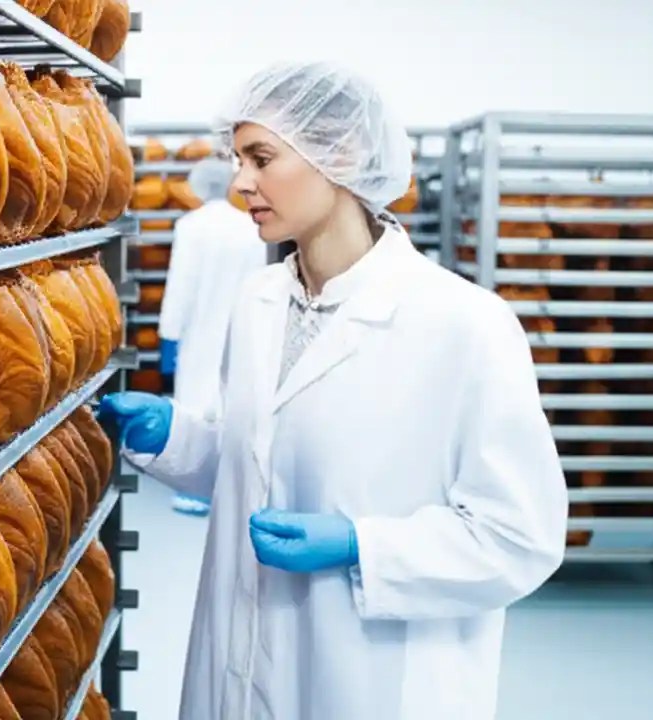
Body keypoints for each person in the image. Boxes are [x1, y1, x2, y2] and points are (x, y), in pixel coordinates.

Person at [98, 61, 567, 720]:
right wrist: (177, 438)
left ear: (340, 157)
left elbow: (520, 535)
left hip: (375, 681)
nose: (240, 182)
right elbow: (259, 464)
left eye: (261, 158)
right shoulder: (257, 302)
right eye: (238, 159)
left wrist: (362, 546)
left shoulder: (463, 323)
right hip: (241, 661)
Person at [158, 155, 269, 516]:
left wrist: (169, 332)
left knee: (194, 406)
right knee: (233, 404)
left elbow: (182, 283)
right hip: (243, 326)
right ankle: (235, 486)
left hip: (199, 329)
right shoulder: (249, 227)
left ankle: (195, 488)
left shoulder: (191, 226)